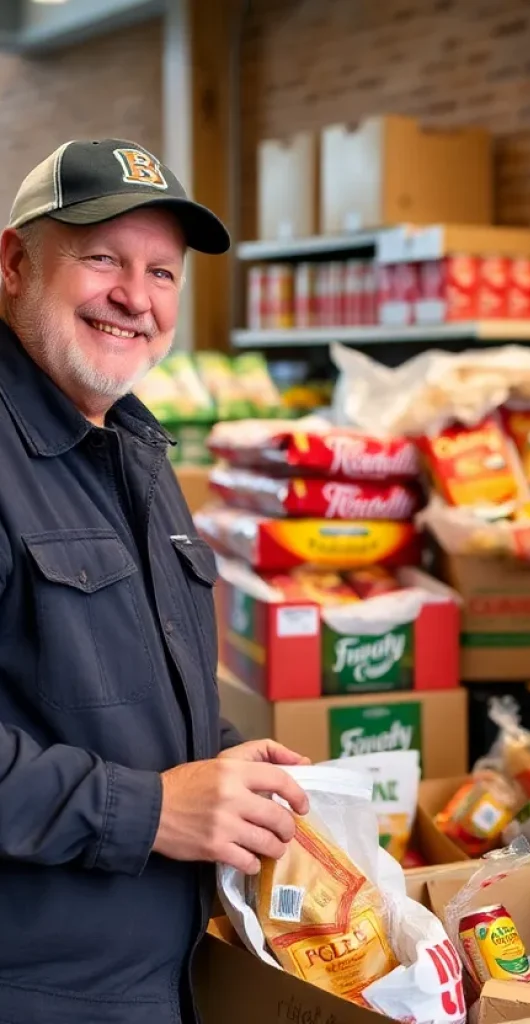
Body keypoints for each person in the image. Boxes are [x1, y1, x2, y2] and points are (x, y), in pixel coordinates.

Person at [0, 138, 312, 1024]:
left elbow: (112, 687)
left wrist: (222, 766)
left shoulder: (135, 448)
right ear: (15, 262)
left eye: (163, 272)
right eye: (102, 258)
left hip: (156, 983)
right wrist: (150, 810)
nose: (136, 297)